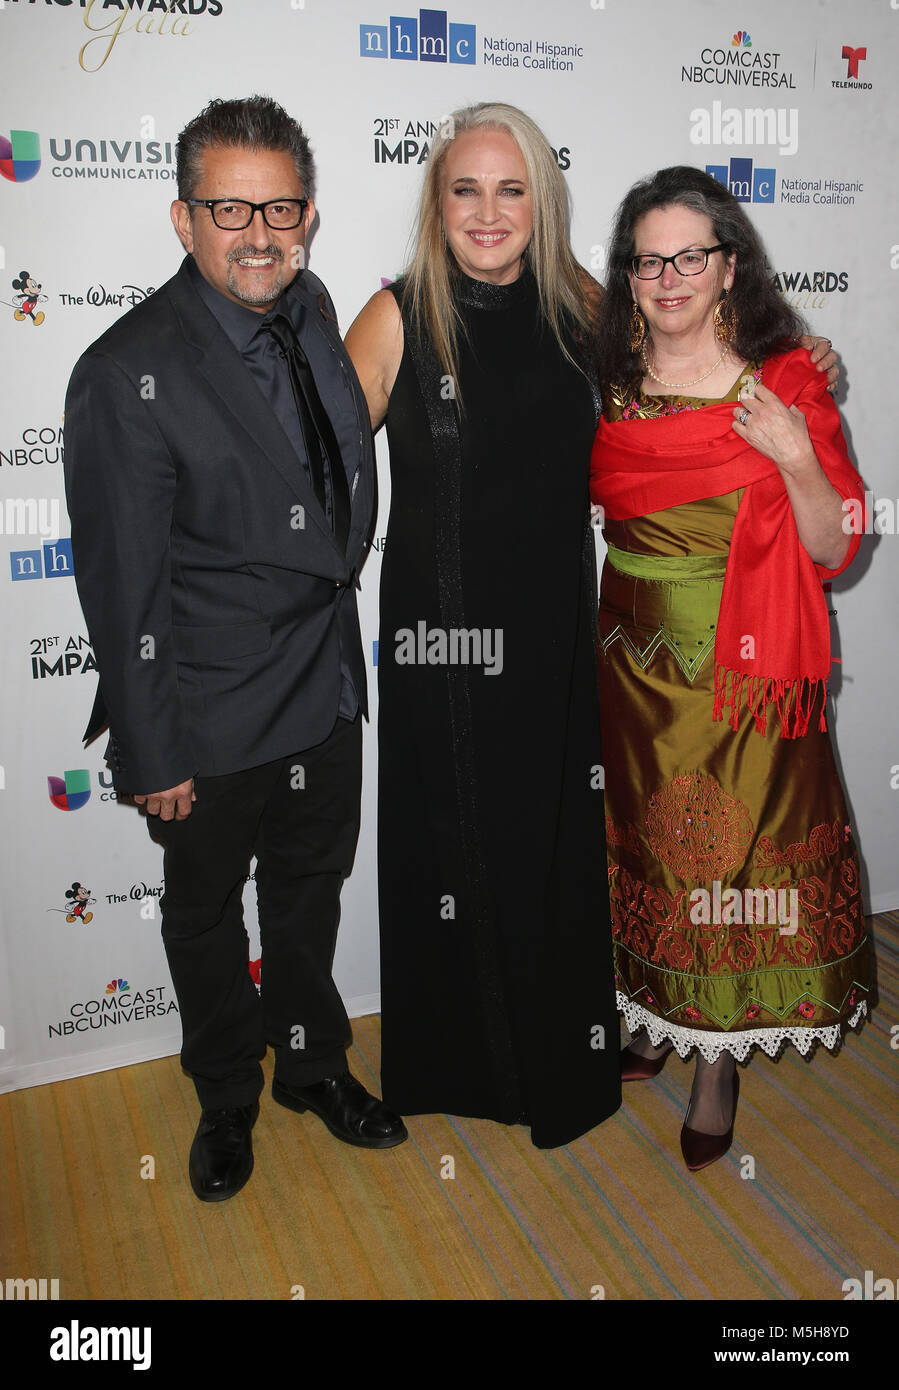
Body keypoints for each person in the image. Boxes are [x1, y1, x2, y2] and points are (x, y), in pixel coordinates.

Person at [64, 95, 406, 1203]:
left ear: (307, 213)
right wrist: (152, 748)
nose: (258, 232)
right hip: (204, 708)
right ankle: (224, 1092)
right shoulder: (125, 372)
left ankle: (310, 1063)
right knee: (205, 912)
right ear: (181, 217)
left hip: (324, 684)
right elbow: (123, 584)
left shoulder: (307, 307)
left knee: (309, 891)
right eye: (228, 209)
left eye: (280, 207)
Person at [345, 102, 622, 1148]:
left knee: (547, 838)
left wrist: (791, 354)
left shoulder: (578, 309)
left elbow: (688, 375)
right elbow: (308, 451)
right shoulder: (397, 313)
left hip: (552, 630)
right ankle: (462, 1063)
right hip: (445, 642)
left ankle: (556, 1061)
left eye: (511, 189)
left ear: (539, 202)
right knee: (458, 843)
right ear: (437, 202)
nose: (489, 210)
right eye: (466, 188)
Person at [590, 165, 872, 1171]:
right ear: (625, 274)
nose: (668, 275)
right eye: (646, 258)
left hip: (746, 676)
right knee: (645, 853)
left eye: (689, 256)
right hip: (629, 669)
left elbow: (835, 544)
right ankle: (652, 1016)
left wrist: (794, 453)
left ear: (727, 267)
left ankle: (715, 1064)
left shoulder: (783, 380)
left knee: (733, 862)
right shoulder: (603, 371)